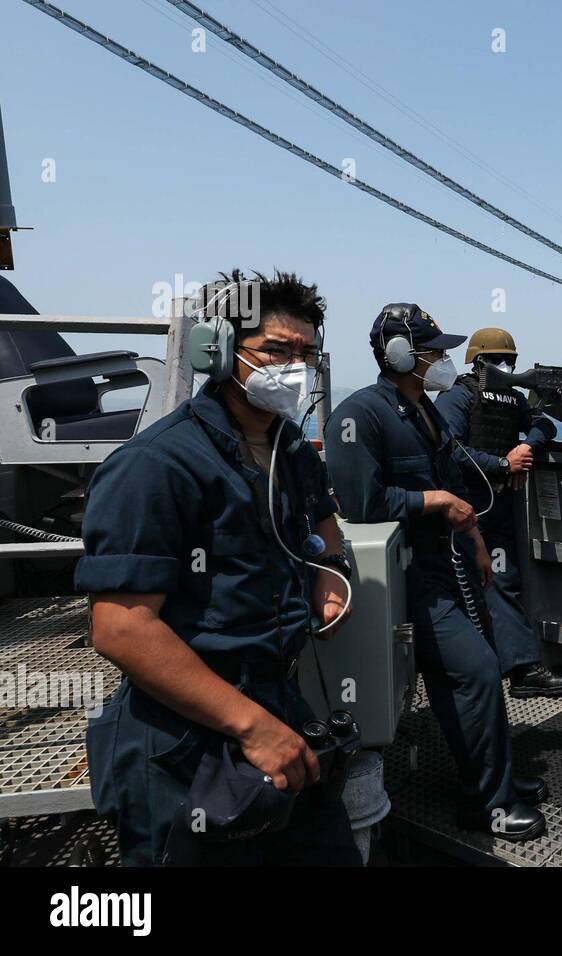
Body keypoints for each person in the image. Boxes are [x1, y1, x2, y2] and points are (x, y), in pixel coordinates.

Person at [76, 270, 361, 865]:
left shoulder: (290, 450)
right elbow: (122, 628)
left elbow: (323, 521)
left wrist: (329, 574)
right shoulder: (155, 465)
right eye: (277, 350)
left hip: (278, 703)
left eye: (307, 354)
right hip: (186, 735)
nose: (295, 368)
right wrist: (252, 728)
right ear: (219, 350)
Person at [324, 305, 546, 841]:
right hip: (405, 581)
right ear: (401, 355)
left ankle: (494, 777)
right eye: (435, 352)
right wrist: (435, 501)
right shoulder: (360, 415)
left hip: (446, 563)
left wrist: (474, 539)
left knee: (468, 673)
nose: (444, 361)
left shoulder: (424, 411)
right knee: (477, 671)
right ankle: (487, 803)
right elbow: (360, 503)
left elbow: (455, 475)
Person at [436, 328, 562, 698]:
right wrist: (501, 464)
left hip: (497, 506)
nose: (506, 365)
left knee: (501, 584)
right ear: (479, 362)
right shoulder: (459, 395)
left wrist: (526, 449)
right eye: (498, 359)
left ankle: (514, 668)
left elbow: (544, 424)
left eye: (510, 360)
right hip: (467, 508)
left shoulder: (513, 398)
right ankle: (511, 670)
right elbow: (450, 449)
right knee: (482, 587)